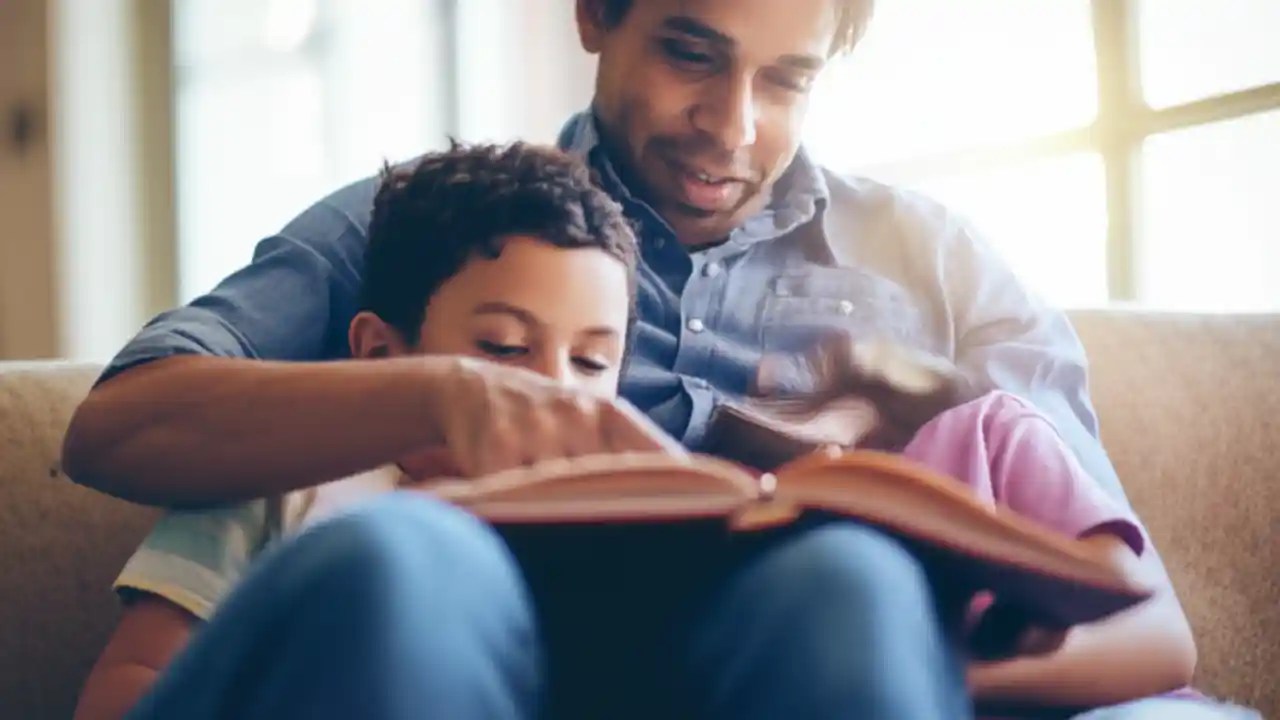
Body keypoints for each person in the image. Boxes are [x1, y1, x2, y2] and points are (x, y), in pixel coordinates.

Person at [60, 0, 1254, 718]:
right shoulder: (442, 217)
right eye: (692, 54)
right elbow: (121, 424)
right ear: (593, 12)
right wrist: (445, 393)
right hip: (473, 632)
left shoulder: (935, 263)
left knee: (848, 584)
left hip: (786, 658)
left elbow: (1099, 583)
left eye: (785, 80)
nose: (731, 127)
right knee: (407, 558)